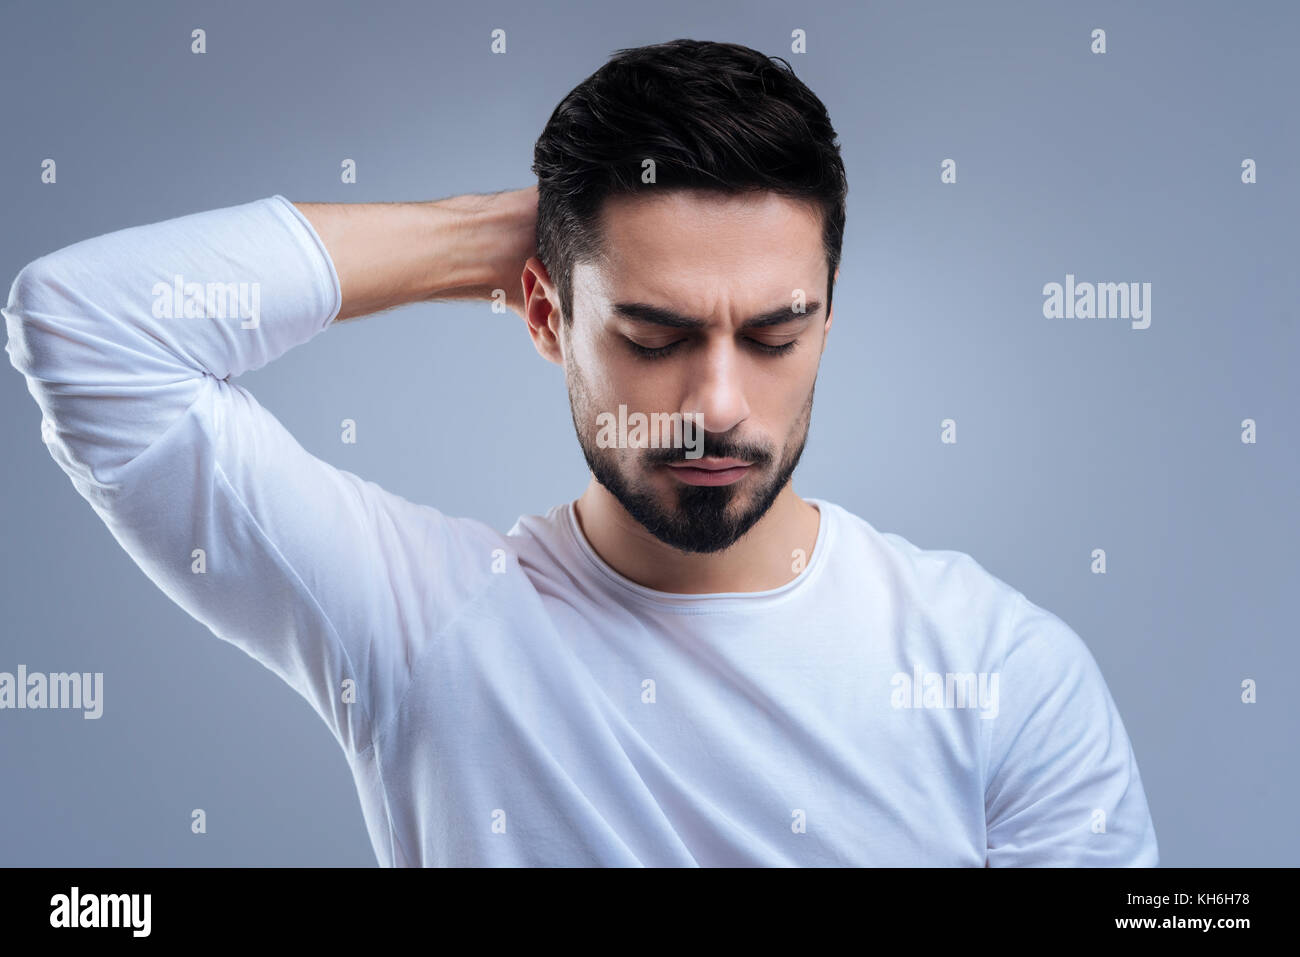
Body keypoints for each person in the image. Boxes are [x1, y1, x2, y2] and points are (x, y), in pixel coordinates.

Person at [3, 38, 1157, 866]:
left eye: (774, 334)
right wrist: (491, 237)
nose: (716, 405)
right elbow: (84, 326)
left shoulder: (1003, 671)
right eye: (653, 334)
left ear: (828, 316)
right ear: (545, 316)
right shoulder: (418, 623)